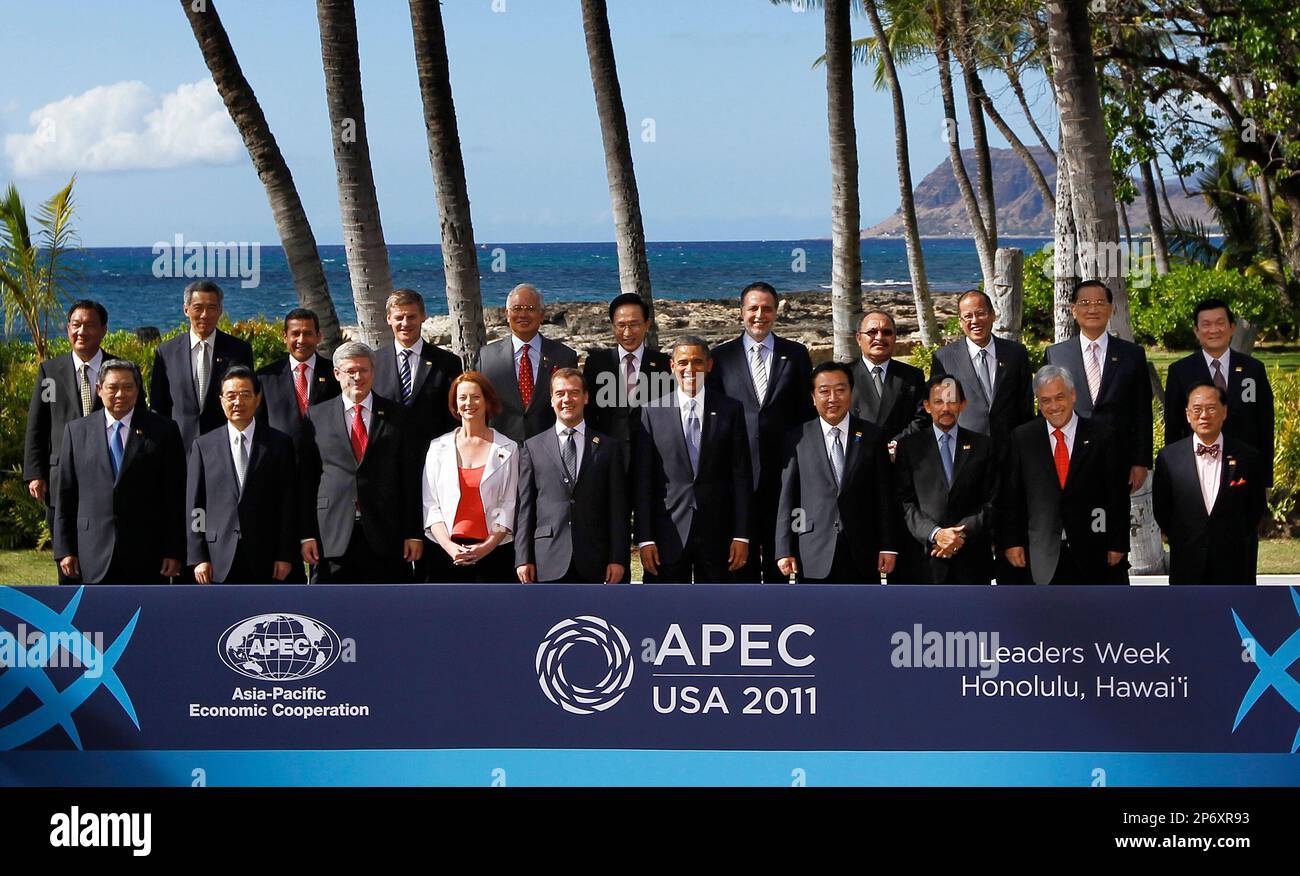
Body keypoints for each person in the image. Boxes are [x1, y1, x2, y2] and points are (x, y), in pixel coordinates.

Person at [705, 282, 814, 582]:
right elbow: (712, 416)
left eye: (767, 308)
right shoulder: (720, 357)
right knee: (740, 562)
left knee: (783, 559)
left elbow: (806, 413)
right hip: (736, 476)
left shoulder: (796, 354)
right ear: (741, 312)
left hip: (784, 473)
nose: (759, 315)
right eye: (753, 308)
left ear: (776, 312)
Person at [299, 342, 423, 583]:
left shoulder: (398, 416)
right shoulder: (317, 416)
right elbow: (307, 478)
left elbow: (409, 477)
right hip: (332, 534)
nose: (358, 377)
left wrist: (413, 532)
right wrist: (306, 534)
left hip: (386, 533)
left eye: (364, 370)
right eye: (351, 371)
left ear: (373, 372)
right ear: (337, 373)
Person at [53, 360, 185, 584]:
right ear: (99, 389)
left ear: (138, 390)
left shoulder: (164, 430)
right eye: (113, 387)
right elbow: (66, 495)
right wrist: (65, 549)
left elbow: (175, 495)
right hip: (92, 552)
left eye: (128, 387)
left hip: (146, 553)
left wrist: (174, 550)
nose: (120, 394)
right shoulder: (77, 431)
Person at [998, 366, 1130, 585]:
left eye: (1060, 397)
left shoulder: (1103, 436)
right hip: (1041, 557)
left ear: (1073, 396)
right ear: (1038, 403)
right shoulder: (1022, 438)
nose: (1054, 406)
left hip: (1093, 551)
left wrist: (1117, 543)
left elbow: (1116, 494)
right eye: (1045, 400)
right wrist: (1012, 542)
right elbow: (1011, 496)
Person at [636, 336, 752, 584]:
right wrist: (645, 538)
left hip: (718, 534)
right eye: (684, 362)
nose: (690, 369)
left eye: (698, 362)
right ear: (672, 366)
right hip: (668, 532)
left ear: (709, 365)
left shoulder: (730, 410)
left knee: (717, 611)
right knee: (665, 612)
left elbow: (741, 476)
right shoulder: (651, 412)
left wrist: (742, 534)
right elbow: (644, 481)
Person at [774, 362, 896, 583]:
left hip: (862, 550)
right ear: (813, 397)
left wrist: (888, 546)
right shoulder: (797, 437)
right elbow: (787, 497)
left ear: (851, 392)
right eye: (824, 391)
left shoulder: (873, 436)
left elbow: (884, 495)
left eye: (840, 390)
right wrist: (784, 548)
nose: (833, 398)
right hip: (812, 550)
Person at [24, 300, 117, 583]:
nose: (81, 331)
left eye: (89, 325)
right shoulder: (50, 372)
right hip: (60, 479)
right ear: (68, 329)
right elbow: (36, 427)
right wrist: (35, 473)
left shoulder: (120, 370)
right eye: (76, 325)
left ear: (103, 330)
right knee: (67, 558)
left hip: (108, 477)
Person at [186, 366, 298, 584]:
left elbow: (288, 503)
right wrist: (198, 555)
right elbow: (196, 507)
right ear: (221, 400)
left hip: (266, 555)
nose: (238, 402)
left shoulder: (278, 444)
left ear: (257, 399)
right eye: (231, 396)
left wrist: (285, 554)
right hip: (218, 557)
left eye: (245, 395)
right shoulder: (203, 445)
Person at [515, 368, 628, 584]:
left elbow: (618, 509)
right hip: (546, 558)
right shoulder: (533, 447)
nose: (567, 399)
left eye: (574, 392)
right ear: (551, 400)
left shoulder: (608, 447)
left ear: (585, 397)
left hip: (596, 559)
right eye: (560, 393)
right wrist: (523, 557)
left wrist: (618, 558)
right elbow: (525, 508)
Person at [1044, 279, 1154, 494]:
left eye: (1100, 303)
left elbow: (1142, 412)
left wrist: (1141, 462)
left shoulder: (1132, 355)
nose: (1092, 309)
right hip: (1070, 459)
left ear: (1111, 309)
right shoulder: (1056, 354)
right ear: (1074, 310)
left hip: (1117, 460)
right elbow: (1046, 410)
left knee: (1114, 524)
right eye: (1085, 303)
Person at [1153, 382, 1267, 585]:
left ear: (1224, 412)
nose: (1204, 415)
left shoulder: (1248, 457)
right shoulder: (1168, 458)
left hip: (1235, 563)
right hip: (1187, 562)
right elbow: (1162, 509)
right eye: (1197, 409)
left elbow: (1255, 508)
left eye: (1211, 408)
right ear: (1188, 415)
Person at [893, 376, 999, 584]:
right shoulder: (909, 447)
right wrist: (935, 534)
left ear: (963, 404)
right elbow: (903, 501)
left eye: (952, 401)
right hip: (926, 559)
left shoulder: (984, 446)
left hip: (972, 559)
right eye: (939, 401)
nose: (946, 408)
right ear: (927, 406)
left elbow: (993, 500)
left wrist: (958, 536)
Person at [1164, 298, 1274, 487]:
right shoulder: (1180, 371)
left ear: (1232, 328)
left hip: (1244, 472)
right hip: (1197, 472)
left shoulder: (1253, 370)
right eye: (1206, 324)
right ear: (1196, 331)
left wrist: (1264, 479)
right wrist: (1175, 476)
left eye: (1220, 323)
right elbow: (1173, 428)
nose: (1214, 330)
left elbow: (1264, 425)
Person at [421, 371, 519, 583]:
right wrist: (449, 547)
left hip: (494, 553)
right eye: (462, 397)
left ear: (487, 401)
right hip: (444, 552)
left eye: (476, 396)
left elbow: (509, 504)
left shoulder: (508, 448)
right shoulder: (438, 447)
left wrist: (486, 547)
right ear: (455, 404)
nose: (469, 403)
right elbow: (431, 505)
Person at [149, 279, 254, 452]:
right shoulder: (166, 352)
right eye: (198, 308)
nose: (205, 315)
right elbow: (158, 407)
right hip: (179, 449)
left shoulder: (239, 350)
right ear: (186, 310)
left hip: (225, 448)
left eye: (212, 308)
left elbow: (247, 401)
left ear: (220, 311)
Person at [471, 283, 579, 443]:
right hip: (500, 450)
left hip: (551, 450)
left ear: (542, 315)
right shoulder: (485, 358)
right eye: (517, 308)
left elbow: (574, 410)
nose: (523, 314)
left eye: (530, 308)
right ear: (507, 314)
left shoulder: (564, 356)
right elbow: (477, 409)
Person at [929, 289, 1034, 444]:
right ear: (960, 321)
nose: (975, 321)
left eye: (980, 313)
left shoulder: (1016, 353)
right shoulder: (944, 359)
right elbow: (940, 410)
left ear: (993, 315)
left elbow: (1026, 405)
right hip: (966, 450)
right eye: (968, 316)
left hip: (1010, 448)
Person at [582, 292, 673, 472]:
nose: (627, 332)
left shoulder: (663, 364)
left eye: (634, 325)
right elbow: (589, 414)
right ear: (612, 326)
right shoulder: (596, 363)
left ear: (647, 324)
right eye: (621, 325)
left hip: (653, 461)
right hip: (607, 461)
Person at [371, 288, 461, 450]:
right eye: (399, 318)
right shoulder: (373, 363)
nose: (405, 323)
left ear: (423, 317)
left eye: (411, 317)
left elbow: (454, 414)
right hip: (385, 458)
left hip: (432, 455)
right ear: (389, 319)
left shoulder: (448, 363)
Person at [255, 308, 341, 450]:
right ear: (285, 337)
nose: (301, 340)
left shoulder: (335, 374)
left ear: (318, 336)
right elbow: (259, 425)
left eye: (308, 333)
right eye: (295, 334)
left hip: (325, 461)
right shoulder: (266, 377)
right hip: (281, 462)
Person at [850, 309, 928, 444]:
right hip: (858, 453)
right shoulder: (845, 375)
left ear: (895, 337)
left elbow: (921, 418)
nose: (879, 337)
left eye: (886, 332)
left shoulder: (912, 376)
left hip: (901, 455)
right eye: (872, 332)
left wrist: (896, 444)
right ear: (858, 338)